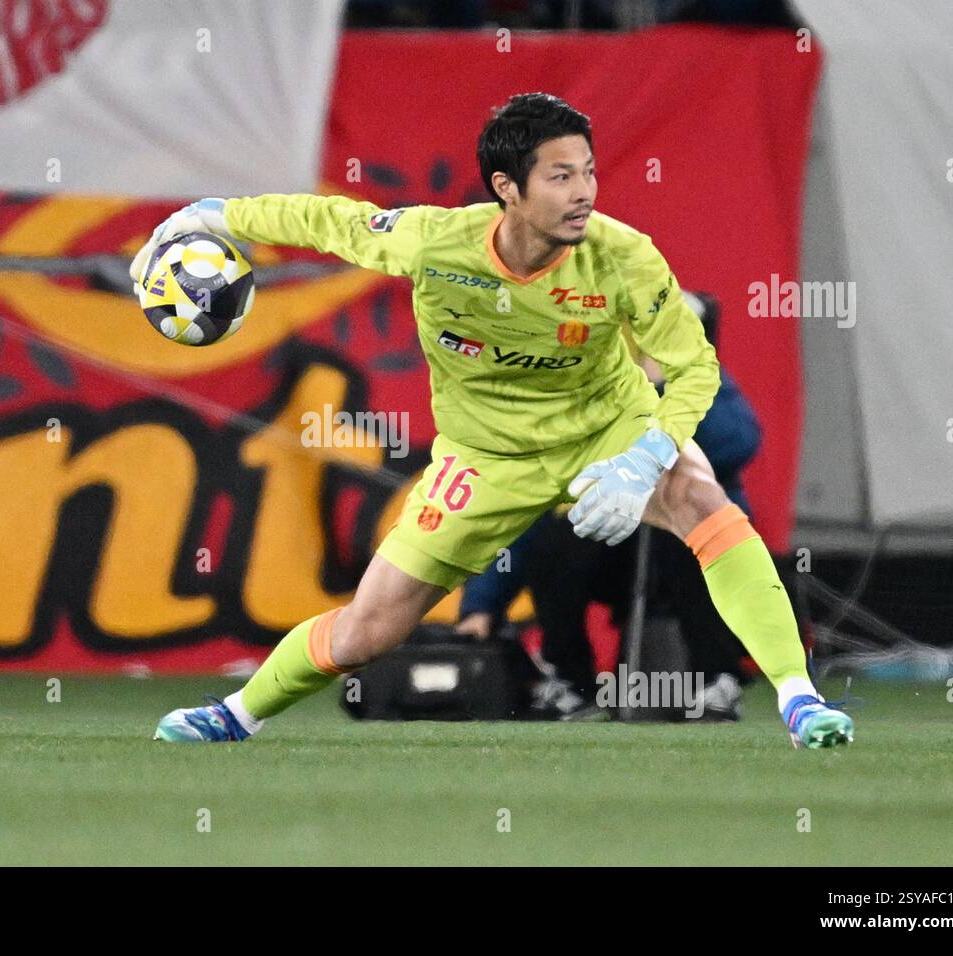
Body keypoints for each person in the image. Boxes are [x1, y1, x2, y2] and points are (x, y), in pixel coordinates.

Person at [135, 92, 852, 749]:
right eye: (561, 177)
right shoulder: (435, 244)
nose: (585, 195)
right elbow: (327, 221)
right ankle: (234, 716)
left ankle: (799, 700)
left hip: (605, 429)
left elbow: (695, 369)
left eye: (589, 173)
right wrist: (213, 217)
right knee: (369, 628)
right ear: (507, 188)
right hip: (485, 459)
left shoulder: (623, 256)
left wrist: (644, 457)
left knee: (704, 499)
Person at [457, 293, 763, 720]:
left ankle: (718, 682)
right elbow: (528, 506)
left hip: (688, 558)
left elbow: (737, 444)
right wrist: (482, 605)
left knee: (691, 532)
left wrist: (671, 387)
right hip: (614, 556)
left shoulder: (706, 387)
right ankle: (573, 683)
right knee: (556, 539)